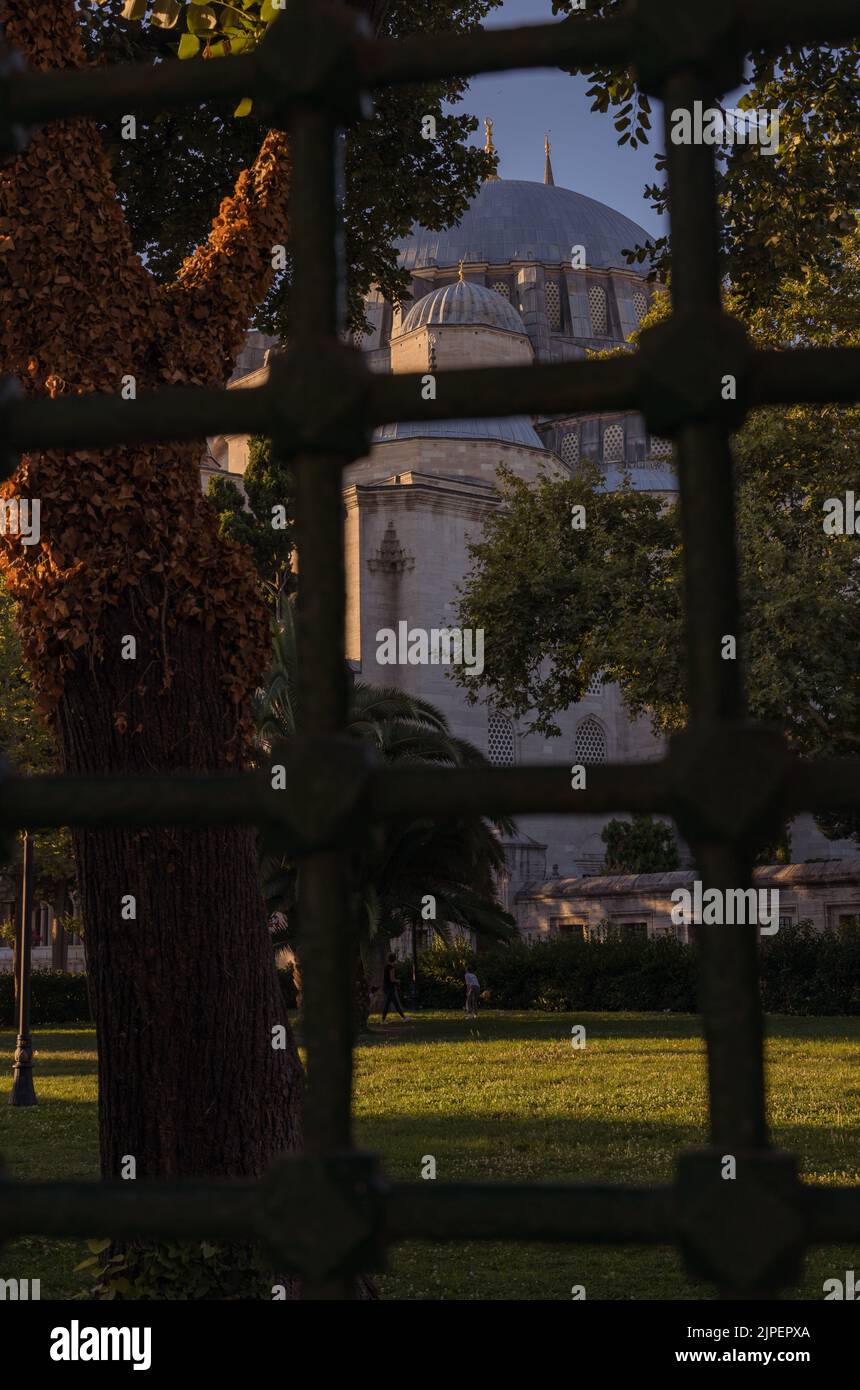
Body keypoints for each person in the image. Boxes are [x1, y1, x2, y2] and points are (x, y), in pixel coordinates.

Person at [381, 952, 410, 1023]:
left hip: (386, 987)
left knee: (388, 1004)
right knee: (395, 1004)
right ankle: (404, 1018)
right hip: (390, 988)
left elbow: (386, 978)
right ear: (394, 959)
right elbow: (392, 979)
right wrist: (398, 981)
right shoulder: (391, 968)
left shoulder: (386, 967)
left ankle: (383, 1020)